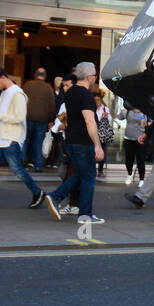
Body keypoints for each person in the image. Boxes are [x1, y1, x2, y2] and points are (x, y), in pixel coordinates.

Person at [44, 61, 105, 224]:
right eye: (94, 75)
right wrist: (98, 144)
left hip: (71, 140)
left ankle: (55, 197)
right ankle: (85, 214)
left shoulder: (70, 93)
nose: (95, 78)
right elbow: (89, 121)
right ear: (89, 77)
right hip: (83, 142)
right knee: (89, 176)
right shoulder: (85, 95)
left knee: (81, 174)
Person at [0, 69, 44, 209]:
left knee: (16, 169)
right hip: (2, 138)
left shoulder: (17, 94)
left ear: (2, 77)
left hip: (10, 138)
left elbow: (19, 118)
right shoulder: (6, 93)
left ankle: (38, 192)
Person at [21, 67, 54, 170]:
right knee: (38, 142)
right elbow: (52, 105)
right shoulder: (48, 88)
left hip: (27, 117)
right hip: (42, 120)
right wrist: (50, 119)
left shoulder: (27, 85)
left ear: (35, 75)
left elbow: (21, 100)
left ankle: (22, 162)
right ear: (45, 76)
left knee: (25, 140)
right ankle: (38, 165)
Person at [120, 102, 148, 185]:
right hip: (128, 138)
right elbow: (119, 117)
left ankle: (141, 179)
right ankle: (129, 174)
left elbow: (151, 123)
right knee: (129, 159)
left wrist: (147, 125)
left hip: (141, 139)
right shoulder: (129, 111)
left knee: (140, 159)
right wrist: (123, 111)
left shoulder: (145, 111)